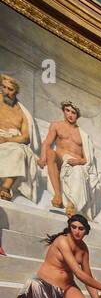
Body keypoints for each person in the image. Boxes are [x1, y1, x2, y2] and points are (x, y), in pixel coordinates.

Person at [39, 101, 98, 217]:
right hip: (61, 160)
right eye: (67, 111)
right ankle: (57, 195)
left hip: (76, 163)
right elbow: (46, 143)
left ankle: (72, 204)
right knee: (50, 153)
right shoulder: (56, 125)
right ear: (63, 111)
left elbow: (87, 158)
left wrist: (79, 161)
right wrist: (42, 158)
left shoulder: (83, 134)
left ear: (77, 115)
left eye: (73, 112)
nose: (70, 114)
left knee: (79, 170)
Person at [0, 74, 39, 203]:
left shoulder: (22, 112)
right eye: (3, 87)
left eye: (10, 89)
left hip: (12, 141)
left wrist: (7, 140)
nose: (6, 91)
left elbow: (26, 137)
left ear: (16, 92)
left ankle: (5, 188)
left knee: (20, 151)